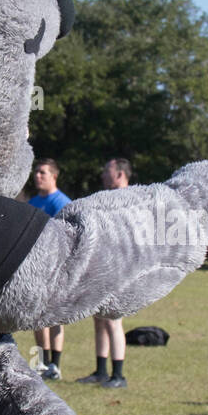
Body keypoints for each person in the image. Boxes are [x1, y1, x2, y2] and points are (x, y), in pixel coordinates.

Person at [78, 158, 134, 388]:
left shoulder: (131, 200)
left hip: (120, 267)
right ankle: (101, 371)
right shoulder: (108, 198)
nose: (102, 174)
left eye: (107, 170)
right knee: (99, 319)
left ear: (120, 174)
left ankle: (118, 376)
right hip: (103, 265)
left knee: (113, 320)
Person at [28, 158, 71, 379]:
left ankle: (55, 365)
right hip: (35, 269)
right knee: (34, 318)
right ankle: (39, 363)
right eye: (36, 172)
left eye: (43, 173)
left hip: (56, 268)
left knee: (53, 318)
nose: (38, 176)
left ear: (54, 176)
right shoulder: (33, 202)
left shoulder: (61, 202)